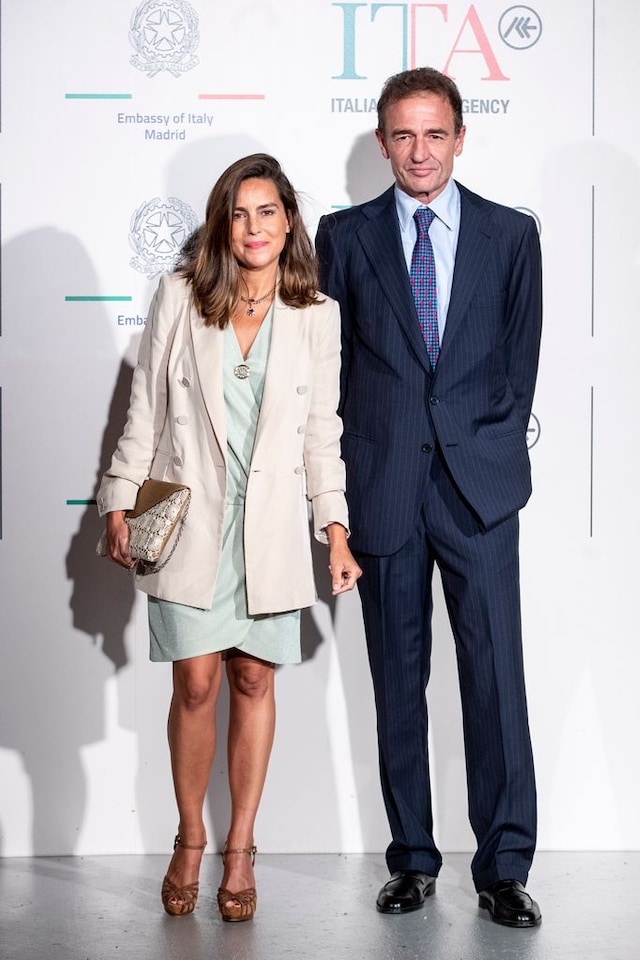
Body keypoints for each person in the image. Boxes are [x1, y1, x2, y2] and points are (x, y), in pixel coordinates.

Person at [98, 153, 361, 922]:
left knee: (253, 681)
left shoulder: (317, 315)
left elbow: (323, 439)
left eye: (268, 212)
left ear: (289, 222)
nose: (254, 228)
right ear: (223, 223)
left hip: (271, 530)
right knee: (196, 683)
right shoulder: (181, 296)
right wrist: (119, 498)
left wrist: (335, 532)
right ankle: (189, 837)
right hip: (187, 523)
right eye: (240, 214)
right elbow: (145, 409)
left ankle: (240, 845)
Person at [315, 67, 542, 927]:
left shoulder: (511, 234)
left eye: (434, 133)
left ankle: (505, 866)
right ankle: (411, 857)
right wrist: (336, 495)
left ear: (460, 136)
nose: (419, 151)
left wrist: (484, 454)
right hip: (384, 488)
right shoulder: (344, 235)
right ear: (382, 142)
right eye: (403, 135)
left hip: (479, 491)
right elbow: (330, 374)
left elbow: (519, 366)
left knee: (495, 680)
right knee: (396, 679)